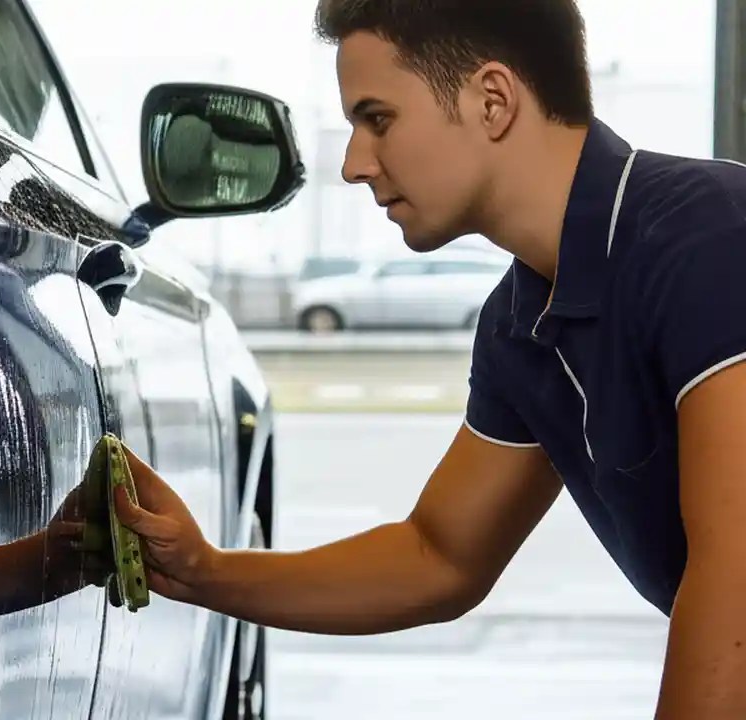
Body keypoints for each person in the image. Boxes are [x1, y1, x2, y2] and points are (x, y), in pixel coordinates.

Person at [113, 1, 746, 717]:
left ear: (492, 100)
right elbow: (439, 557)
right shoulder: (519, 324)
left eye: (377, 119)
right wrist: (201, 570)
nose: (353, 164)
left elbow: (738, 578)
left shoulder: (708, 235)